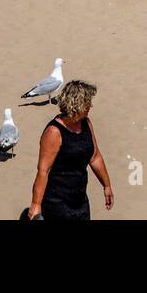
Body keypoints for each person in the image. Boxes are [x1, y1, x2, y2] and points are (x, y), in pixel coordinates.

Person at [29, 79, 113, 220]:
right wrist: (36, 204)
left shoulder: (86, 123)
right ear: (78, 104)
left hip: (80, 200)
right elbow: (43, 171)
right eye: (88, 102)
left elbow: (95, 156)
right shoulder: (54, 132)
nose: (91, 106)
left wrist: (106, 185)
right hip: (57, 202)